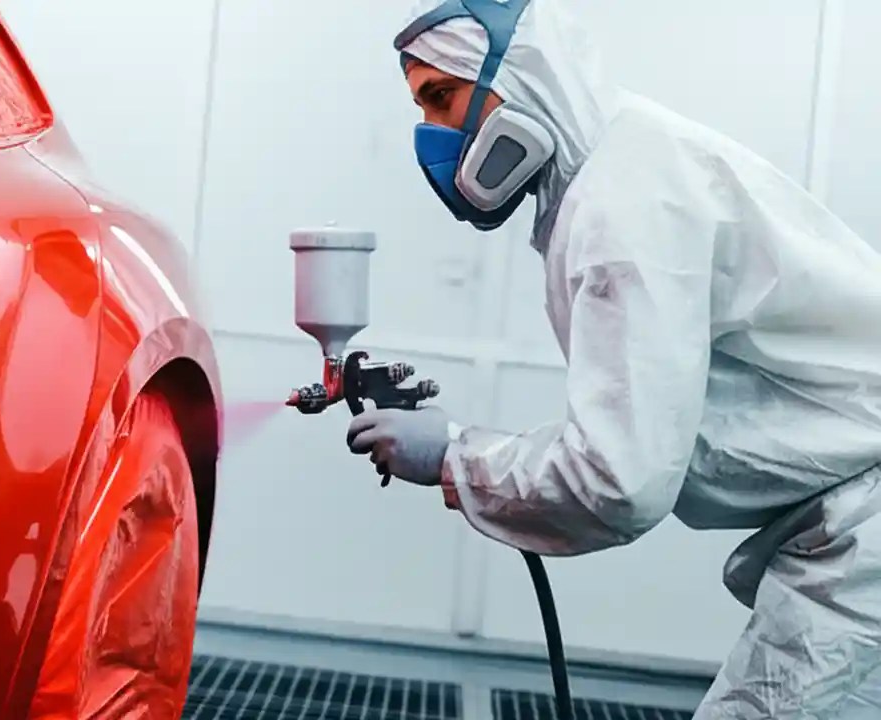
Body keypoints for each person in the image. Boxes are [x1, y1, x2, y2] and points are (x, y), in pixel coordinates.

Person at [345, 0, 881, 716]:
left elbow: (619, 480)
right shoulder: (621, 167)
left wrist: (454, 458)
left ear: (525, 73)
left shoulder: (624, 206)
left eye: (442, 98)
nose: (435, 136)